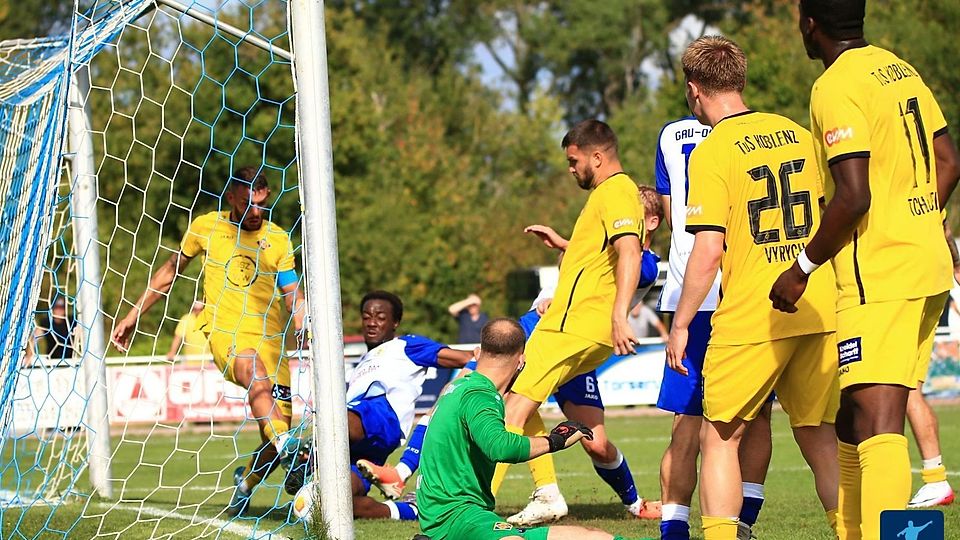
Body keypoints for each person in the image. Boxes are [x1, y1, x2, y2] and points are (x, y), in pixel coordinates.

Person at [360, 185, 665, 526]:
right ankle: (410, 475)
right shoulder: (602, 248)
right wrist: (565, 249)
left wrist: (571, 276)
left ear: (649, 222)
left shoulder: (643, 263)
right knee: (489, 399)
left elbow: (617, 265)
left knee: (589, 439)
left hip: (571, 340)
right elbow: (588, 264)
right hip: (550, 332)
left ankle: (625, 501)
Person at [771, 2, 960, 538]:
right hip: (926, 264)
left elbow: (853, 197)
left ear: (811, 24)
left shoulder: (835, 85)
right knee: (855, 419)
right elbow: (949, 162)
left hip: (880, 274)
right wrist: (924, 218)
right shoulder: (899, 68)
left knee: (877, 423)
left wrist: (802, 268)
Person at [666, 36, 840, 540]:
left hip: (754, 313)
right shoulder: (793, 132)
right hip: (816, 302)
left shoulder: (713, 149)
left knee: (719, 435)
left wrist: (680, 324)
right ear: (739, 79)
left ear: (694, 90)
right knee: (818, 436)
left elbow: (708, 249)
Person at [110, 166, 308, 517]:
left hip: (273, 342)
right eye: (249, 203)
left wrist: (305, 325)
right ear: (231, 197)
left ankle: (246, 482)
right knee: (252, 368)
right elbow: (170, 272)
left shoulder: (277, 238)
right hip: (227, 334)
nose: (257, 212)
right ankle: (290, 451)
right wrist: (132, 315)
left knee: (274, 430)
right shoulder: (206, 226)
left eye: (263, 204)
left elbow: (292, 293)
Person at [499, 120, 643, 506]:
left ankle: (468, 507)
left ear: (597, 157)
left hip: (572, 327)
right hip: (573, 327)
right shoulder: (606, 195)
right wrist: (564, 242)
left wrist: (619, 315)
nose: (570, 168)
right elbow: (602, 252)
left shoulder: (616, 191)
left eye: (573, 160)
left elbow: (630, 251)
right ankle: (546, 492)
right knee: (518, 397)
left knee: (508, 414)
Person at [417, 317, 652, 540]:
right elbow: (500, 447)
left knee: (592, 536)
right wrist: (555, 441)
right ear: (521, 361)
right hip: (455, 516)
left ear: (478, 352)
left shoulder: (459, 385)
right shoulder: (481, 396)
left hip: (453, 513)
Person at [655, 111, 776, 540]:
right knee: (756, 414)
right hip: (743, 287)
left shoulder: (671, 134)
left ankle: (673, 529)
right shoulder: (757, 132)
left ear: (693, 88)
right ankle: (742, 520)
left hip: (691, 288)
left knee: (686, 421)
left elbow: (674, 217)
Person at [311, 290, 473, 522]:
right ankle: (409, 510)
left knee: (334, 420)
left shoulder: (406, 345)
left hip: (380, 418)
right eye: (366, 317)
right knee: (326, 503)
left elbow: (465, 358)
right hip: (360, 451)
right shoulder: (359, 364)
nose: (371, 323)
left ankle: (305, 452)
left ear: (395, 322)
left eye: (380, 317)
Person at [906, 224, 958, 509]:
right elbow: (943, 224)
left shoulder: (883, 181)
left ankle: (933, 479)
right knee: (910, 385)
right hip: (936, 276)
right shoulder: (926, 181)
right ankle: (935, 477)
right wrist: (957, 262)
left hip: (903, 281)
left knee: (892, 385)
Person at [36, 297, 76, 365]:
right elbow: (34, 338)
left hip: (69, 362)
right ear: (52, 308)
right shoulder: (47, 323)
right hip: (52, 362)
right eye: (57, 307)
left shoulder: (71, 321)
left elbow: (80, 331)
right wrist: (29, 355)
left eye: (62, 307)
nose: (59, 310)